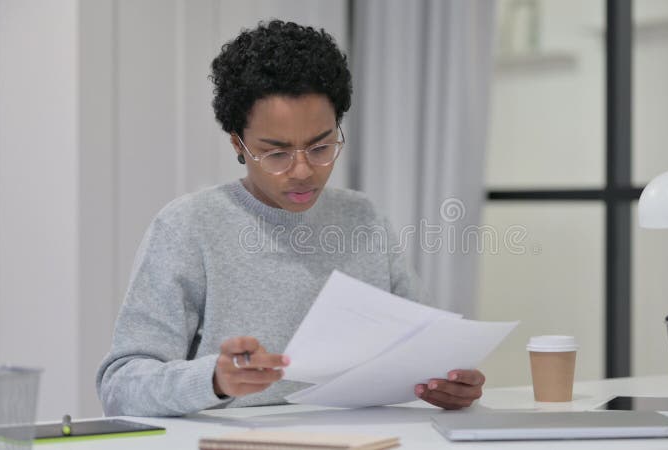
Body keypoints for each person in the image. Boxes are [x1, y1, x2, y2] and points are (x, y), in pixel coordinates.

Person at [96, 19, 486, 417]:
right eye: (277, 153)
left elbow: (428, 349)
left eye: (321, 147)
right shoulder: (189, 226)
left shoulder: (362, 219)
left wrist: (448, 382)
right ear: (238, 144)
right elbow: (121, 385)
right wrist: (213, 379)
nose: (303, 171)